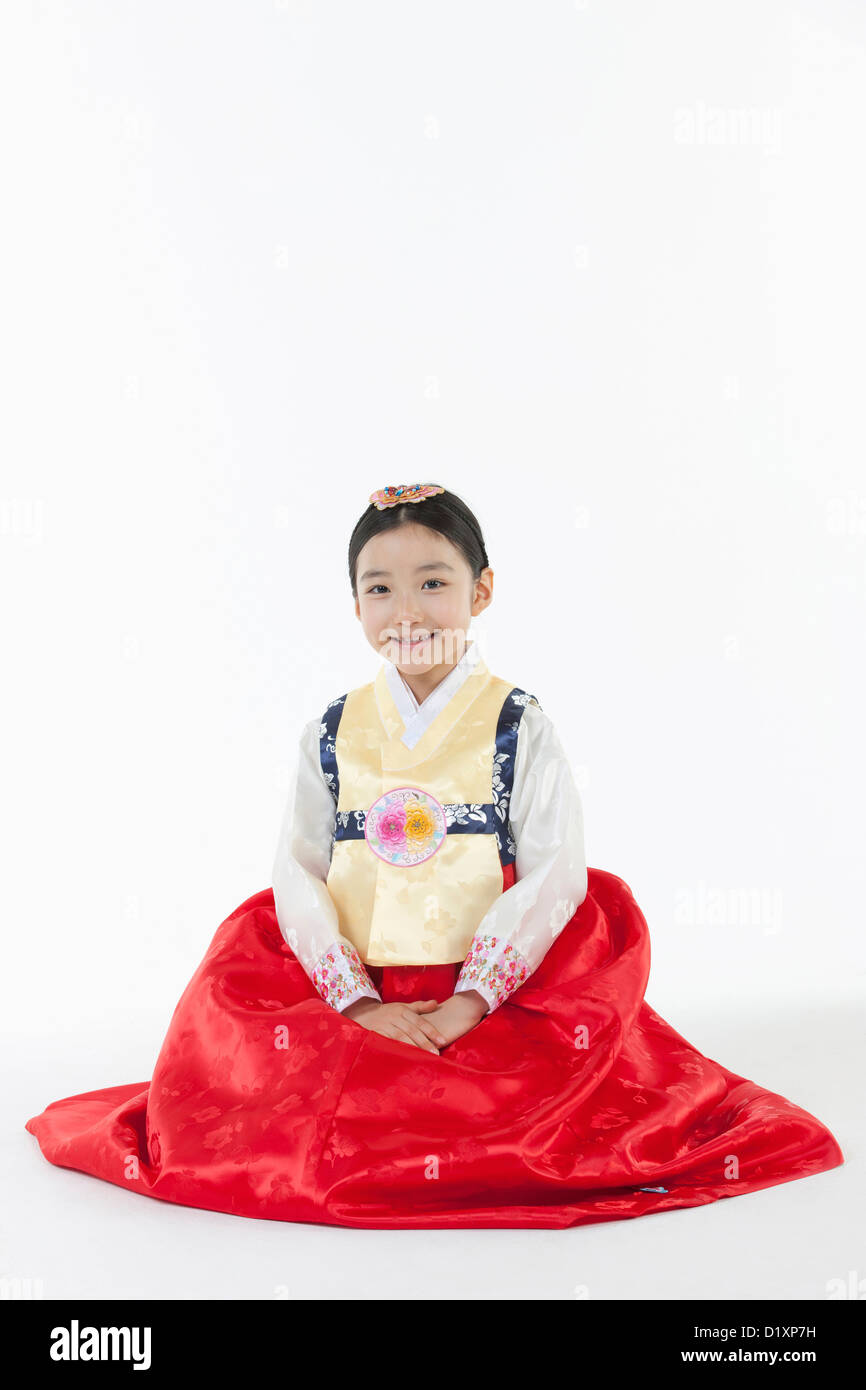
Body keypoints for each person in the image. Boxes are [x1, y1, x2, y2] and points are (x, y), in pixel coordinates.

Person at [25, 483, 844, 1230]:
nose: (406, 609)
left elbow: (557, 867)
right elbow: (298, 870)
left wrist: (469, 1000)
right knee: (241, 1040)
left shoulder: (516, 724)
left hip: (490, 980)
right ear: (354, 606)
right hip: (358, 979)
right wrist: (353, 1003)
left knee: (524, 1105)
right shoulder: (332, 731)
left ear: (480, 590)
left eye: (433, 582)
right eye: (379, 588)